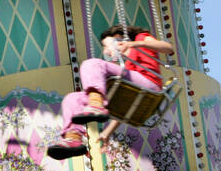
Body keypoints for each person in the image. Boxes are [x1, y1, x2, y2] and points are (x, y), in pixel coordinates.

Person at [50, 24, 176, 159]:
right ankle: (73, 138)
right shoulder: (127, 66)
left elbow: (168, 48)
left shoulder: (141, 38)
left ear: (118, 39)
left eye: (106, 46)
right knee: (72, 98)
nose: (106, 51)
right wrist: (106, 133)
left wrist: (133, 44)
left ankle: (96, 104)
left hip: (149, 84)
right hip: (134, 90)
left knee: (92, 64)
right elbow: (125, 110)